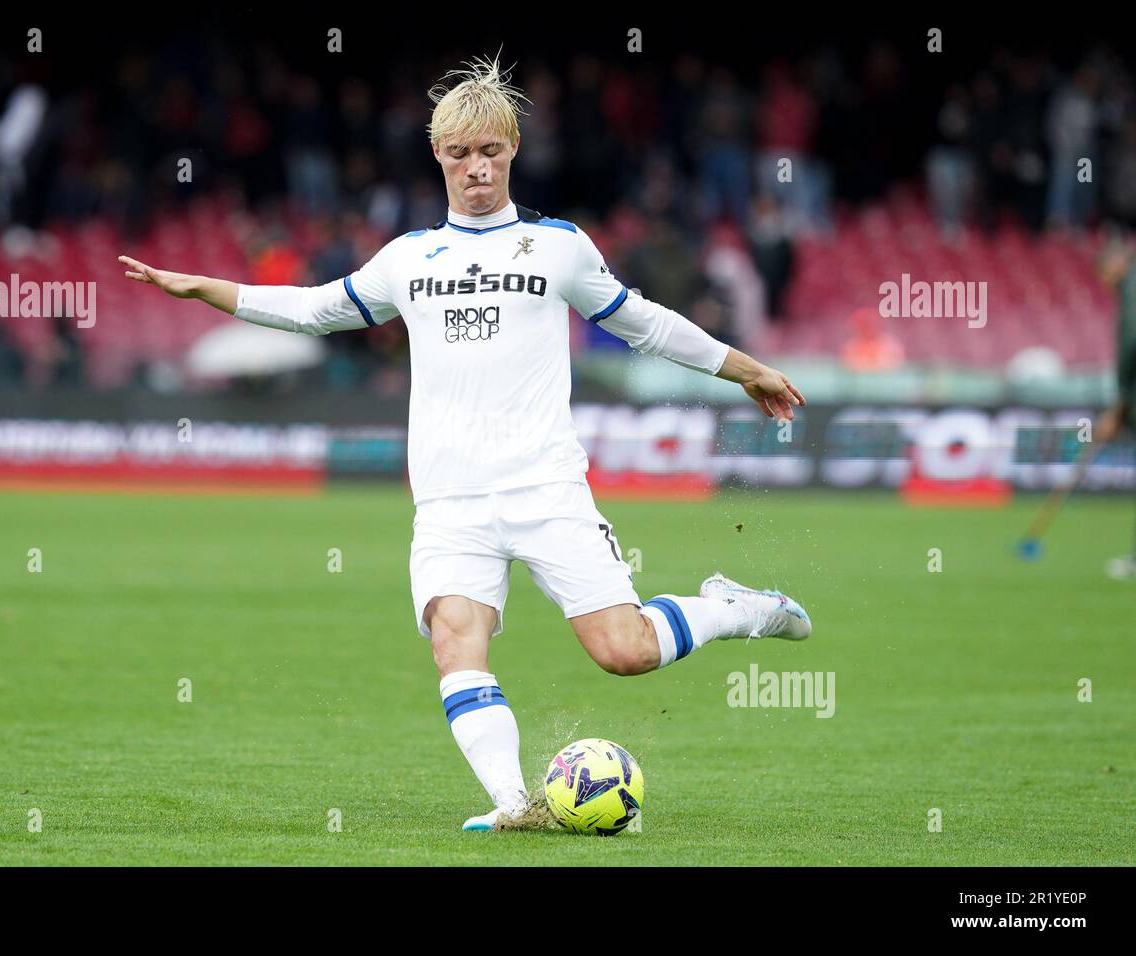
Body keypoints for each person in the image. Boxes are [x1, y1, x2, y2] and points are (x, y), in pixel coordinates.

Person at [118, 54, 813, 831]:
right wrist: (203, 287)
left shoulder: (558, 248)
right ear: (438, 156)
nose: (476, 168)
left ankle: (729, 607)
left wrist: (744, 369)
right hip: (449, 500)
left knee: (624, 651)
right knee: (456, 638)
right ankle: (514, 803)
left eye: (490, 151)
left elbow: (644, 322)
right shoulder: (408, 258)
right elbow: (314, 310)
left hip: (545, 485)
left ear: (512, 149)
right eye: (459, 153)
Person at [1095, 231, 1136, 578]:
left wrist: (1122, 399)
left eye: (1104, 273)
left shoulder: (1132, 289)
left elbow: (1132, 343)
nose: (1105, 283)